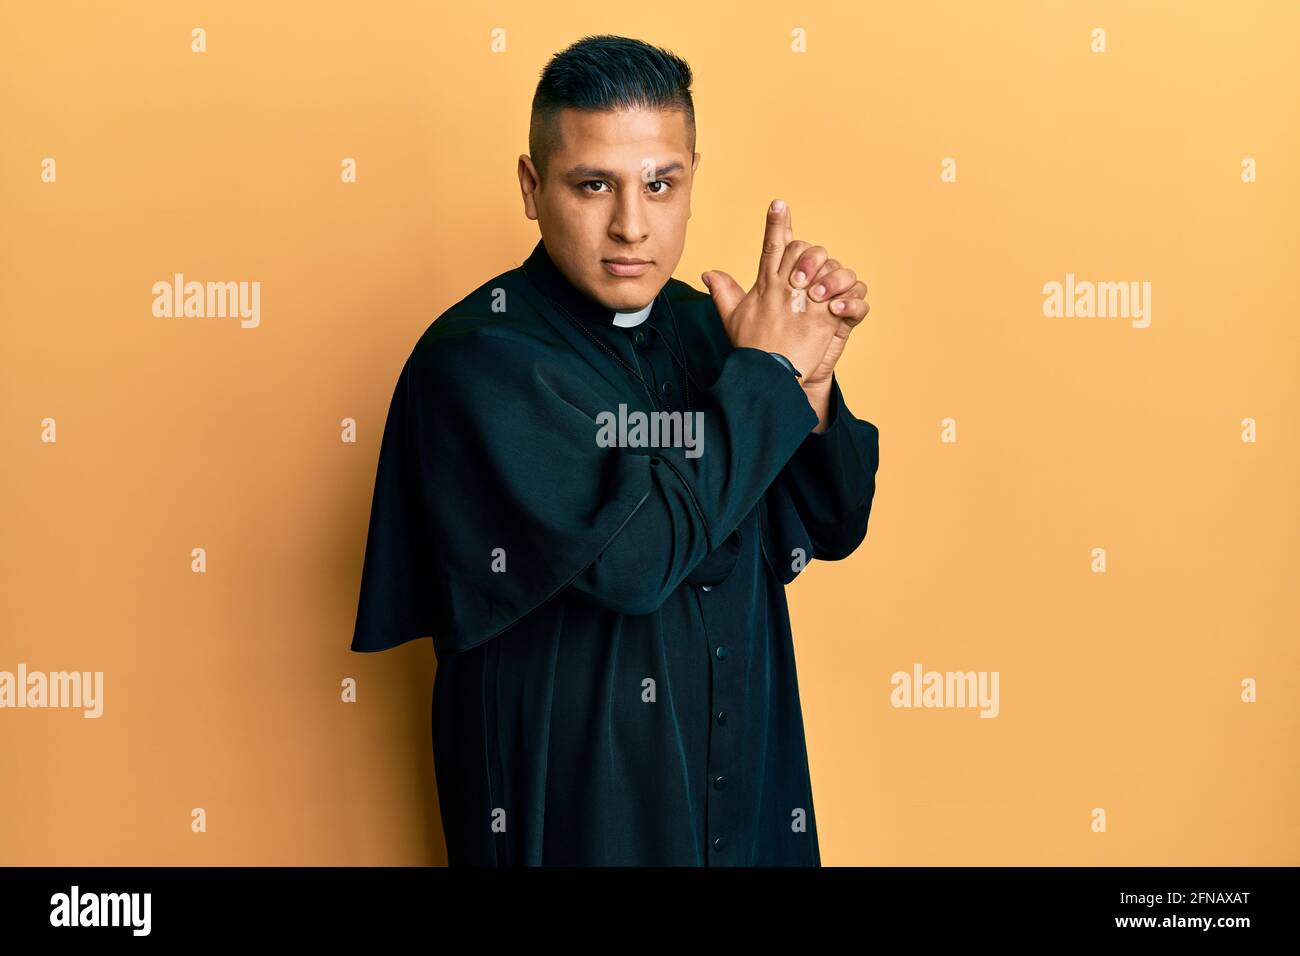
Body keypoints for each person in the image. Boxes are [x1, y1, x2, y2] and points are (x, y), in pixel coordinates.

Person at [350, 34, 880, 866]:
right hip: (576, 803)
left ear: (692, 181)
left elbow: (838, 522)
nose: (631, 225)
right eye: (593, 184)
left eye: (660, 185)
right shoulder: (478, 359)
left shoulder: (716, 331)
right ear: (533, 187)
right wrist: (771, 369)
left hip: (743, 782)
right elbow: (634, 561)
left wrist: (808, 379)